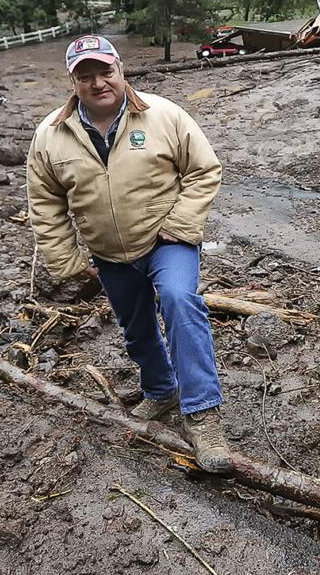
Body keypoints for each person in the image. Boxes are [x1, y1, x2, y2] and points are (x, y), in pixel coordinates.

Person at [26, 35, 232, 473]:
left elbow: (204, 170)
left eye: (105, 71)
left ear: (120, 70)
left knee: (179, 302)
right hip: (108, 252)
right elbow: (46, 202)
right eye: (86, 75)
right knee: (136, 327)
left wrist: (179, 227)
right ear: (73, 81)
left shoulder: (163, 115)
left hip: (167, 240)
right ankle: (161, 390)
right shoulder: (50, 136)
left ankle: (202, 414)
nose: (98, 82)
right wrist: (64, 261)